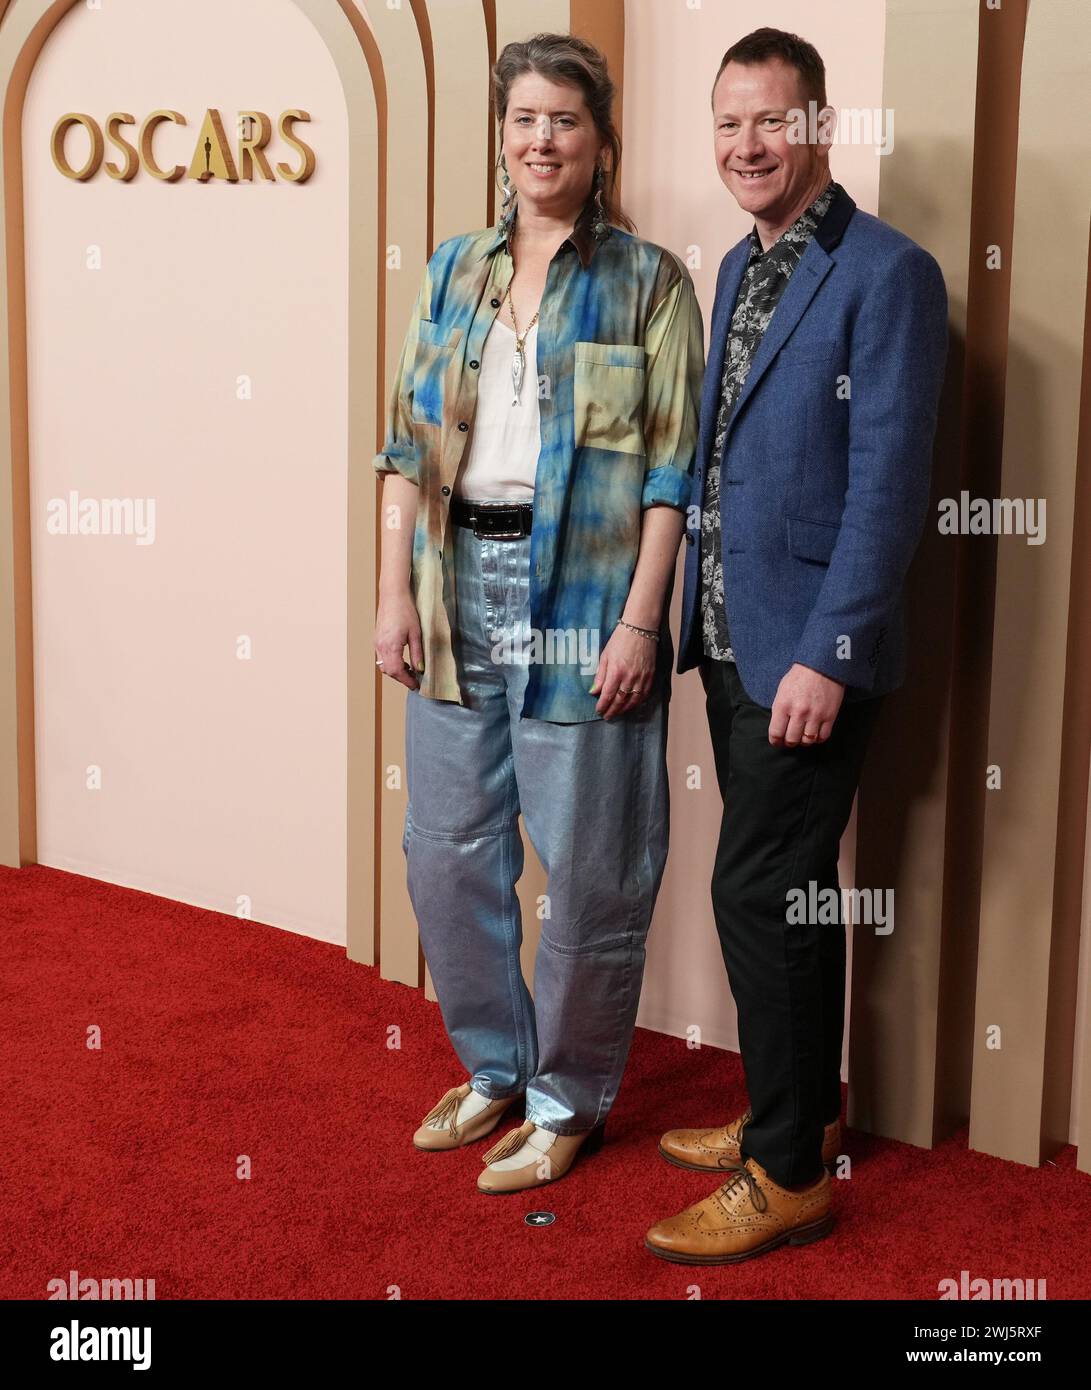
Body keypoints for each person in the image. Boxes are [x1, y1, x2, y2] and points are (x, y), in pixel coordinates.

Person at [372, 32, 704, 1196]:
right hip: (455, 588)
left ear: (600, 140)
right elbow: (404, 451)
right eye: (522, 119)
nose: (540, 139)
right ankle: (495, 1065)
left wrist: (638, 624)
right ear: (500, 136)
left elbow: (671, 471)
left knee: (592, 868)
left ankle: (567, 1100)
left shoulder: (650, 280)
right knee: (441, 853)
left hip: (586, 602)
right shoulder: (453, 269)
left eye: (563, 119)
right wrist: (390, 599)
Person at [644, 27, 948, 1263]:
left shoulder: (890, 272)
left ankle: (783, 1176)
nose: (745, 145)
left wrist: (829, 650)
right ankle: (799, 1117)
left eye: (769, 120)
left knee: (755, 889)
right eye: (726, 124)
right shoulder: (736, 263)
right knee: (790, 892)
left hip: (807, 651)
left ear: (817, 126)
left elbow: (887, 482)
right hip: (729, 636)